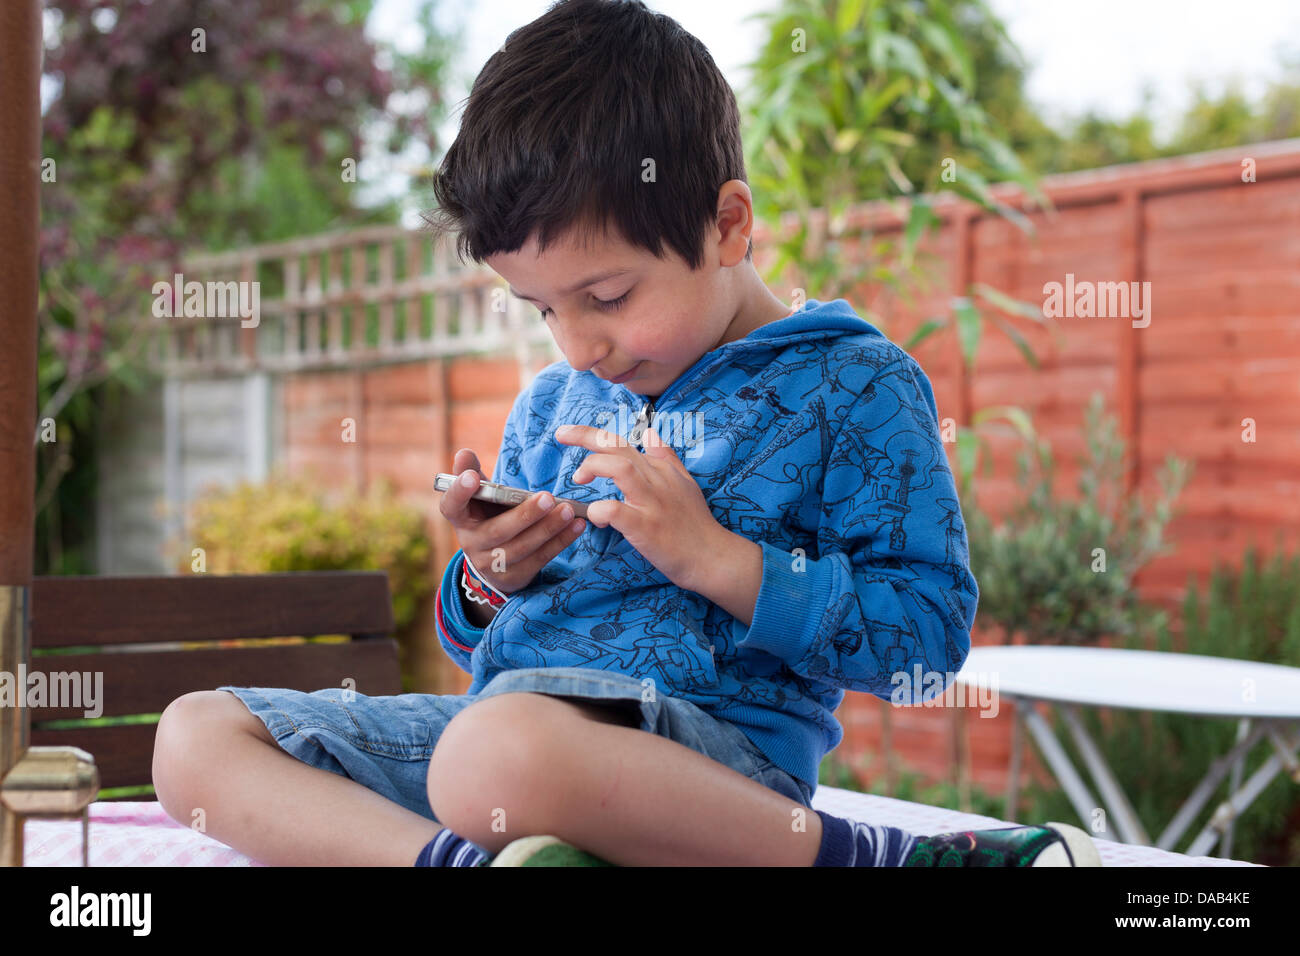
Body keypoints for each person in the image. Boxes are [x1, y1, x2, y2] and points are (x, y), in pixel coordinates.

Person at [152, 0, 1100, 867]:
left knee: (494, 756)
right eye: (541, 310)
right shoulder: (556, 402)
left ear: (728, 225)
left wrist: (721, 561)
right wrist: (491, 574)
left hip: (705, 775)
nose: (580, 343)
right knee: (195, 737)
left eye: (606, 297)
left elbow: (927, 645)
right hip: (511, 746)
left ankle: (868, 861)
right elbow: (480, 650)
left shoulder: (853, 385)